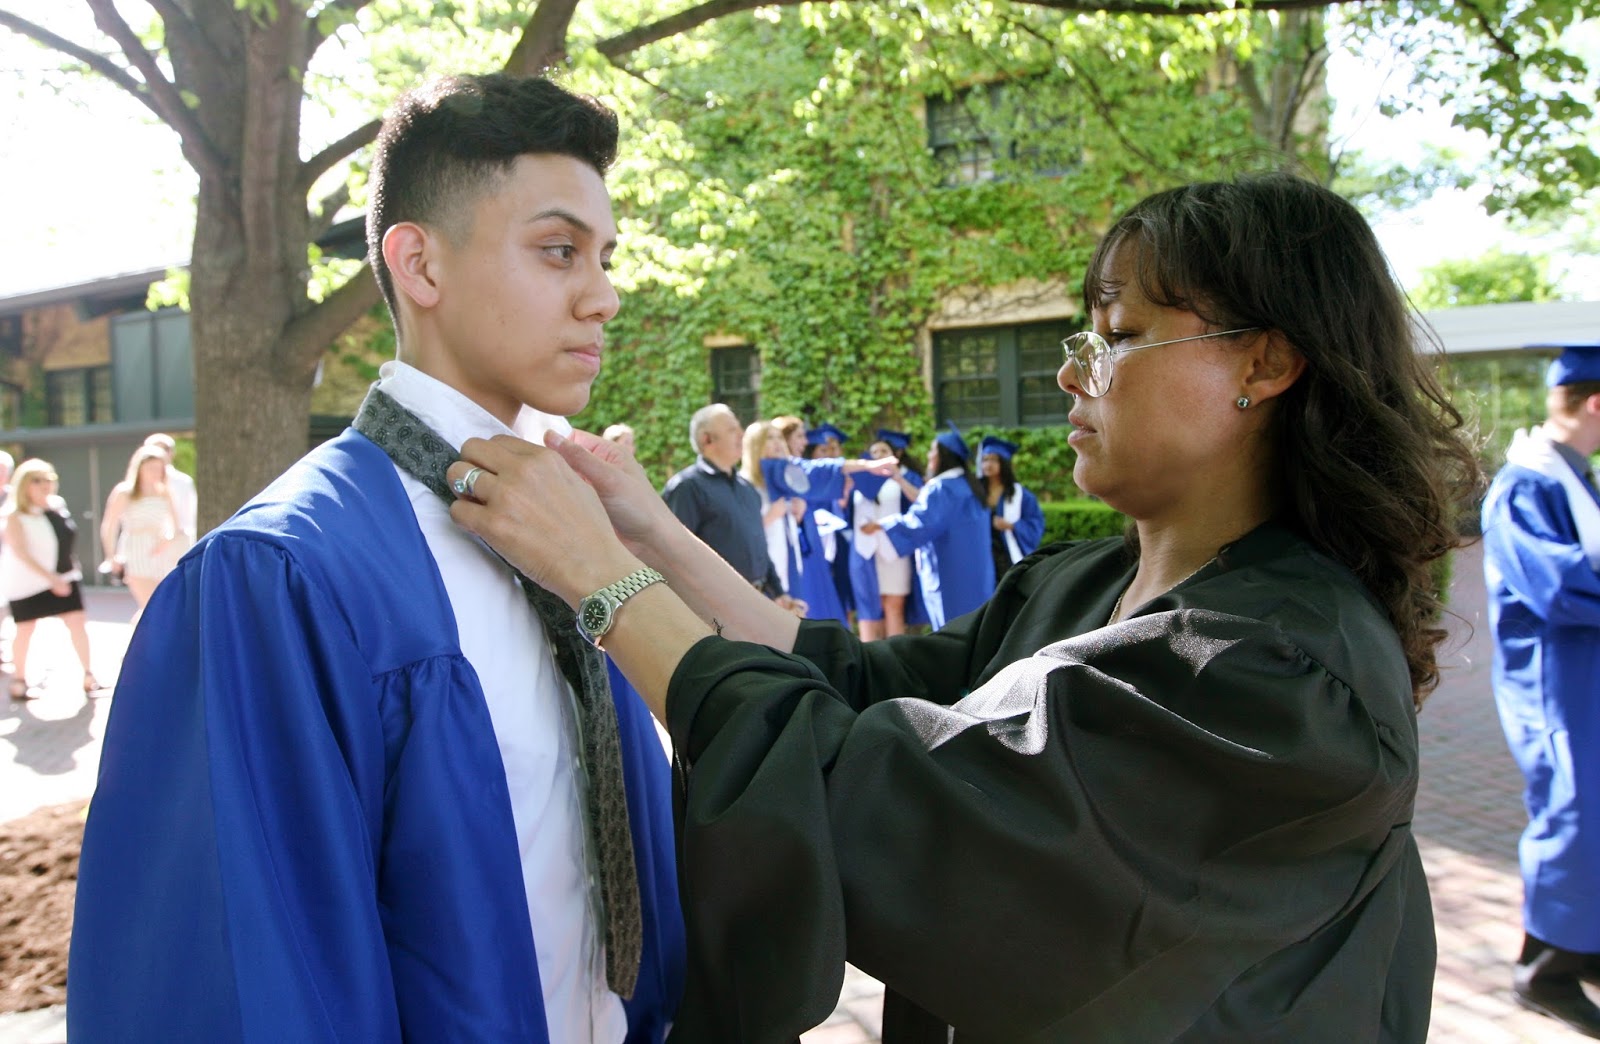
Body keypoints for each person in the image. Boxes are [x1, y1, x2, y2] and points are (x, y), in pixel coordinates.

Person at [444, 172, 1477, 1041]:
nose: (1075, 370)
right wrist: (644, 531)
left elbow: (874, 804)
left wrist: (599, 581)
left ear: (1265, 361)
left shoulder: (1279, 677)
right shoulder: (1077, 585)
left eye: (1117, 335)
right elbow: (850, 688)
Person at [70, 73, 683, 1042]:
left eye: (605, 257)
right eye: (558, 251)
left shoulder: (583, 543)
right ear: (419, 264)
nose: (603, 297)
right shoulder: (280, 581)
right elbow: (239, 988)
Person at [1481, 343, 1600, 1038]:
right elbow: (1559, 586)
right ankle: (1545, 973)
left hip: (1584, 673)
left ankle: (1580, 946)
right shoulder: (1525, 484)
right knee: (1573, 816)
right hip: (1556, 679)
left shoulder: (1574, 477)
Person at [860, 421, 995, 630]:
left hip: (949, 572)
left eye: (933, 451)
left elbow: (919, 523)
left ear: (944, 456)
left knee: (952, 630)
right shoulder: (970, 486)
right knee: (976, 627)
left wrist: (881, 525)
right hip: (976, 573)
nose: (929, 456)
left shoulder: (942, 488)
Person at [1, 458, 102, 699]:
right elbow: (20, 550)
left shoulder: (58, 506)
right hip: (29, 582)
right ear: (24, 484)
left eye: (49, 479)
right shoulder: (14, 514)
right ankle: (19, 680)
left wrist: (63, 575)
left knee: (77, 622)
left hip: (65, 575)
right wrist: (50, 579)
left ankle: (89, 675)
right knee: (25, 628)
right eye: (37, 480)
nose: (45, 485)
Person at [663, 404, 786, 599]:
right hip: (717, 607)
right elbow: (675, 557)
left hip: (760, 601)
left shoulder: (746, 488)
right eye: (731, 429)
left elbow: (757, 545)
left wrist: (779, 593)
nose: (741, 433)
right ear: (707, 439)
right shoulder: (687, 487)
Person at [848, 430, 923, 640]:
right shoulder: (859, 480)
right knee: (869, 609)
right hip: (864, 551)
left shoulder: (906, 476)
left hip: (894, 551)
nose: (878, 454)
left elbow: (921, 505)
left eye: (884, 450)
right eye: (874, 451)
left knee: (893, 605)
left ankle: (894, 659)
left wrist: (898, 478)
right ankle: (869, 656)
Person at [98, 445, 182, 617]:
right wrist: (111, 555)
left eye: (159, 469)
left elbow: (175, 524)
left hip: (162, 552)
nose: (156, 473)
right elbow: (110, 525)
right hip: (136, 549)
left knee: (164, 604)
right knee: (149, 606)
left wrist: (167, 539)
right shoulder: (125, 492)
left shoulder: (165, 492)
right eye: (151, 468)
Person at [741, 419, 801, 600]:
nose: (777, 443)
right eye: (770, 438)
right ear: (755, 445)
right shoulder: (744, 483)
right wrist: (771, 516)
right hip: (763, 570)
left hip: (789, 560)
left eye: (779, 438)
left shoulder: (780, 479)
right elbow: (741, 531)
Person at [978, 435, 1046, 582]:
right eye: (985, 459)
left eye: (993, 460)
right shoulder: (975, 491)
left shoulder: (1020, 495)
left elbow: (1036, 524)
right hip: (980, 552)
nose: (988, 464)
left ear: (1003, 463)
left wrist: (1011, 526)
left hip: (1005, 555)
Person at [143, 432, 198, 543]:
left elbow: (190, 515)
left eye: (165, 449)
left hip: (178, 541)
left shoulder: (183, 481)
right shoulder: (136, 485)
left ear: (172, 453)